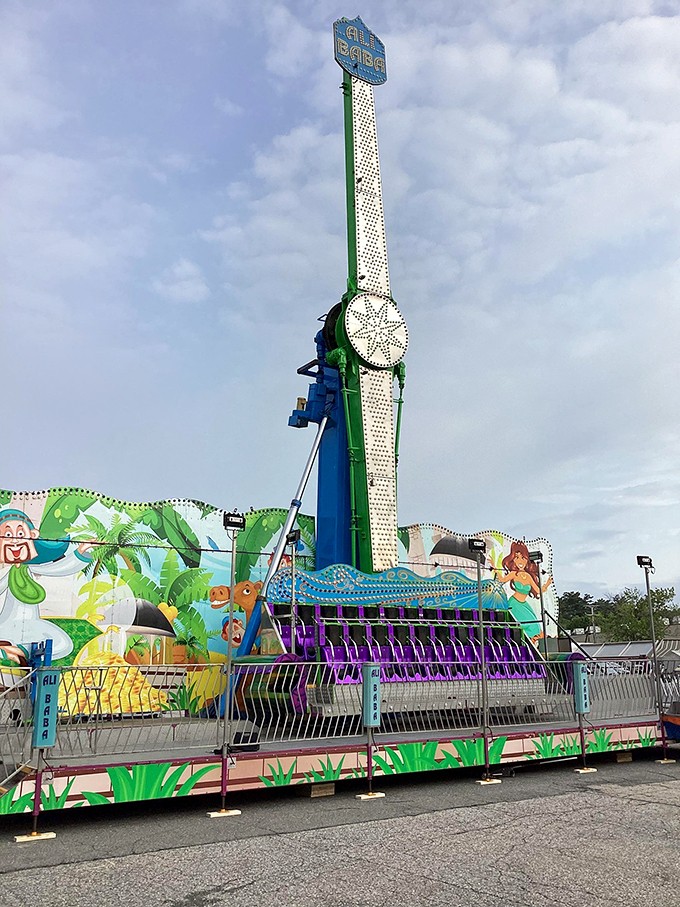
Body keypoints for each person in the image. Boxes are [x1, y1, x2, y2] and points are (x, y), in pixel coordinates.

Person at [493, 540, 552, 639]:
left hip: (524, 604)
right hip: (515, 604)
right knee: (530, 625)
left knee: (535, 625)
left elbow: (538, 591)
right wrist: (495, 568)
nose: (520, 561)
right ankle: (530, 641)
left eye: (523, 558)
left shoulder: (528, 576)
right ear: (513, 560)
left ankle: (537, 642)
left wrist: (547, 584)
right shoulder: (514, 574)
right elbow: (503, 580)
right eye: (517, 557)